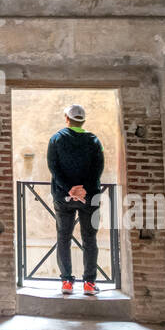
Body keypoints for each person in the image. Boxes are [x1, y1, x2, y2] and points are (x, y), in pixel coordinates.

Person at [47, 103, 104, 295]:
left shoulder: (56, 139)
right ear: (84, 121)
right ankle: (89, 283)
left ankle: (66, 283)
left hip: (64, 197)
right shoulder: (94, 140)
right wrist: (84, 190)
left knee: (63, 236)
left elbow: (53, 167)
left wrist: (70, 189)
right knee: (90, 238)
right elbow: (98, 169)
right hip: (89, 197)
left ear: (67, 119)